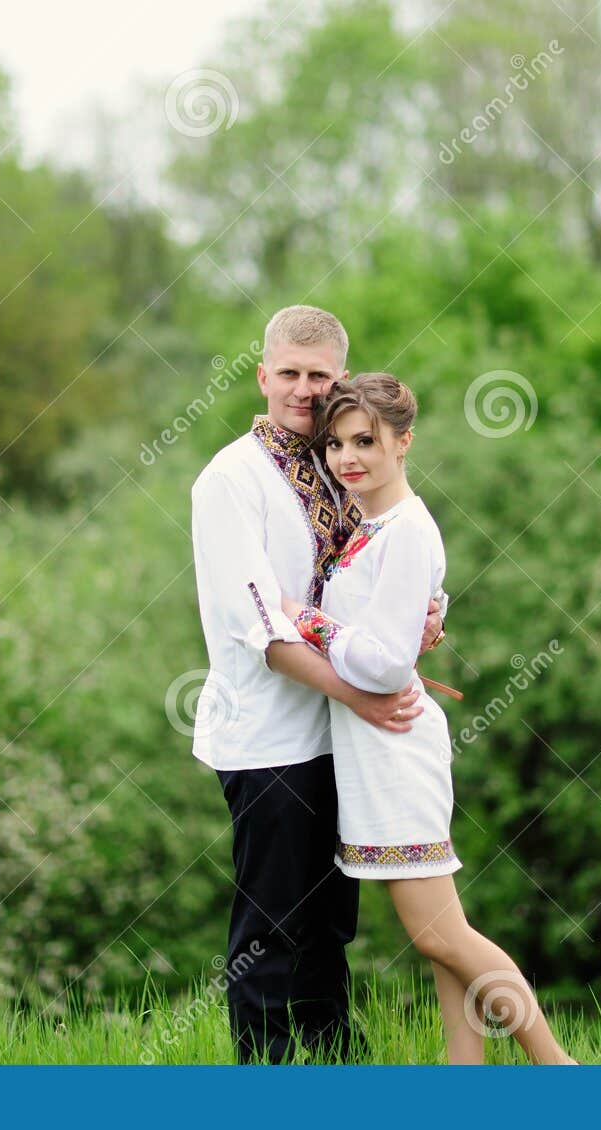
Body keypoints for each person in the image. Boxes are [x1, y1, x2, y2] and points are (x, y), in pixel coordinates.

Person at [282, 373, 575, 1065]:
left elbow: (383, 664)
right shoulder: (372, 524)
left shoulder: (405, 529)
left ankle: (559, 1066)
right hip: (375, 747)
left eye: (366, 441)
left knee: (440, 935)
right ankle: (462, 1078)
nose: (348, 458)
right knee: (444, 934)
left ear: (403, 442)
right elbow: (404, 617)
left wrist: (313, 624)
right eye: (336, 444)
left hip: (395, 742)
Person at [189, 306, 444, 1063]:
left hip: (341, 736)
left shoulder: (343, 462)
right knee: (270, 926)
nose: (304, 389)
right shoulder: (230, 479)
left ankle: (337, 1066)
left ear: (339, 378)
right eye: (290, 374)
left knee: (332, 923)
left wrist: (428, 616)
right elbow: (261, 628)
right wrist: (364, 692)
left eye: (320, 376)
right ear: (263, 375)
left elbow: (389, 563)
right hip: (268, 735)